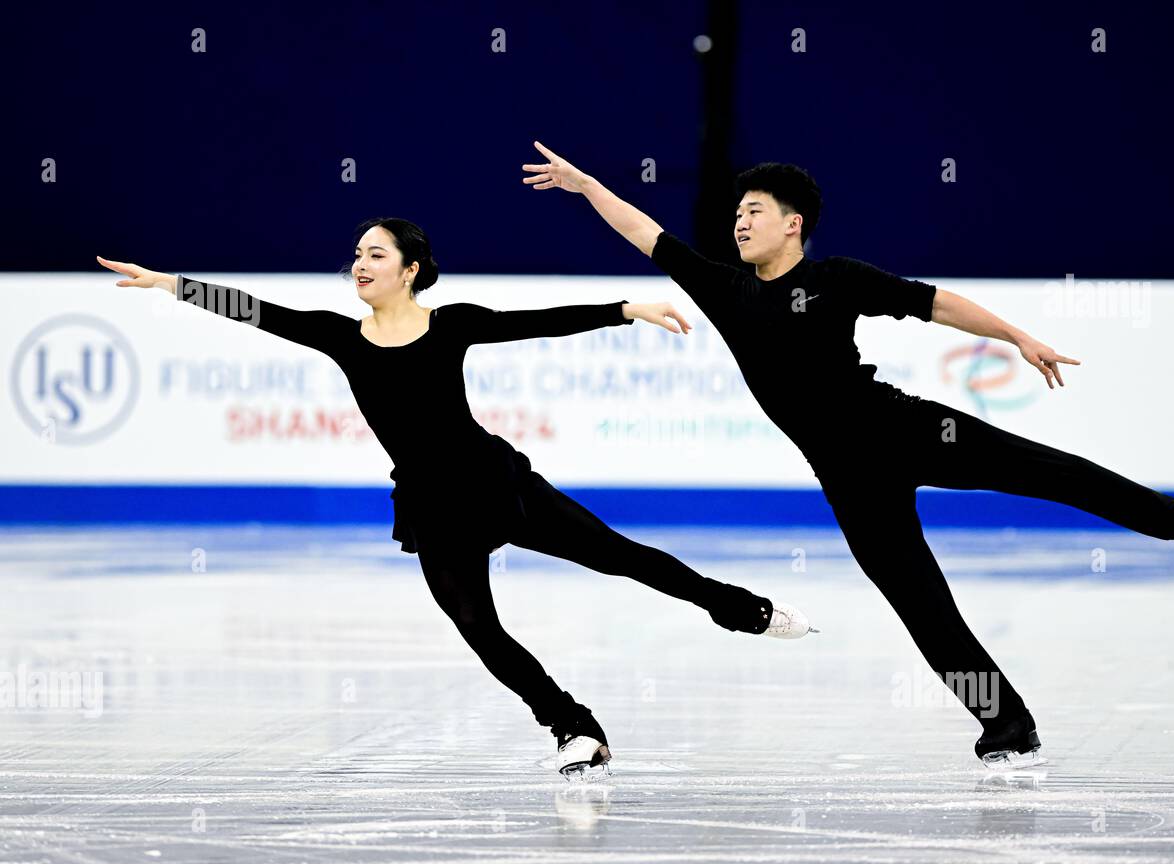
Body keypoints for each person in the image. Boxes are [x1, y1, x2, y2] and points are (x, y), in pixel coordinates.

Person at [520, 145, 1174, 769]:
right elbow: (645, 231)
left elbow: (936, 305)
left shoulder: (837, 278)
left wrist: (1019, 338)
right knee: (924, 610)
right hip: (851, 482)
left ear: (792, 222)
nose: (740, 220)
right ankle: (1006, 724)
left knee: (1052, 472)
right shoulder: (724, 289)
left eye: (756, 209)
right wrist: (587, 186)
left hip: (907, 430)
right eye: (737, 210)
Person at [95, 216, 814, 779]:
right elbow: (255, 311)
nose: (359, 263)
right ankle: (575, 728)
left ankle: (739, 607)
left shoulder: (454, 323)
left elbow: (536, 323)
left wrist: (627, 307)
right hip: (433, 509)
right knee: (479, 628)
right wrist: (169, 283)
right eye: (356, 253)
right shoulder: (342, 339)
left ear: (410, 270)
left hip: (496, 485)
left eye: (376, 254)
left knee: (619, 556)